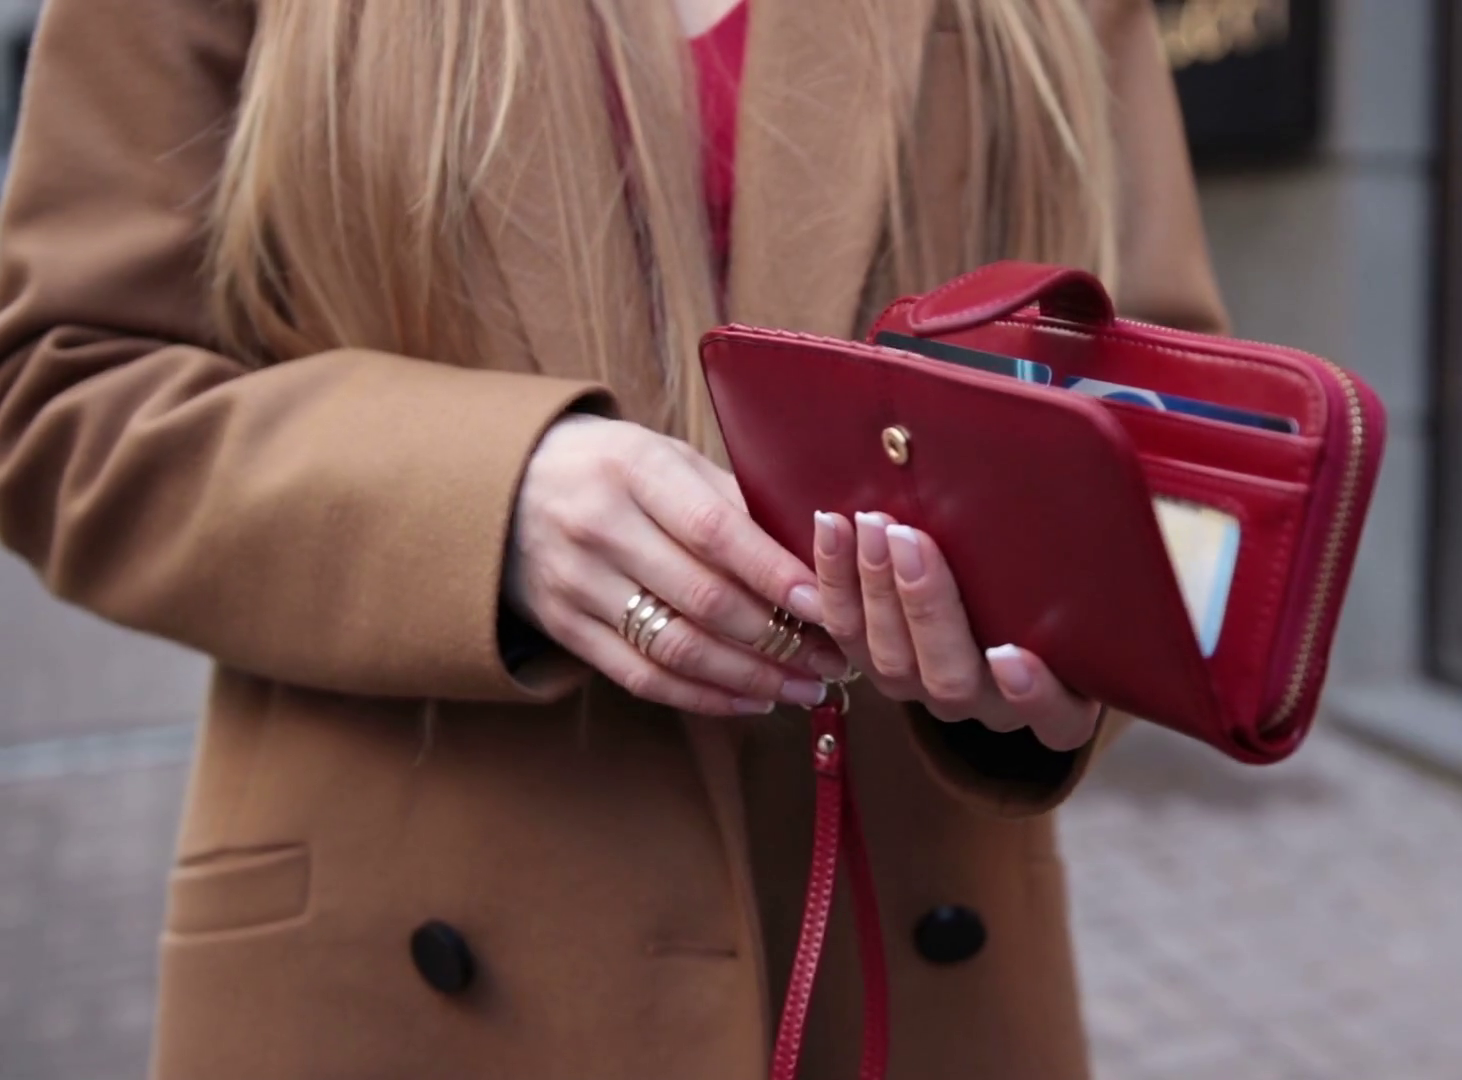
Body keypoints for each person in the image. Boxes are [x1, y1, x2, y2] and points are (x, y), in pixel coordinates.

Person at [0, 0, 1224, 1075]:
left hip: (906, 951)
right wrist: (488, 502)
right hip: (401, 956)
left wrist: (1069, 654)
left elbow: (1165, 421)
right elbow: (57, 386)